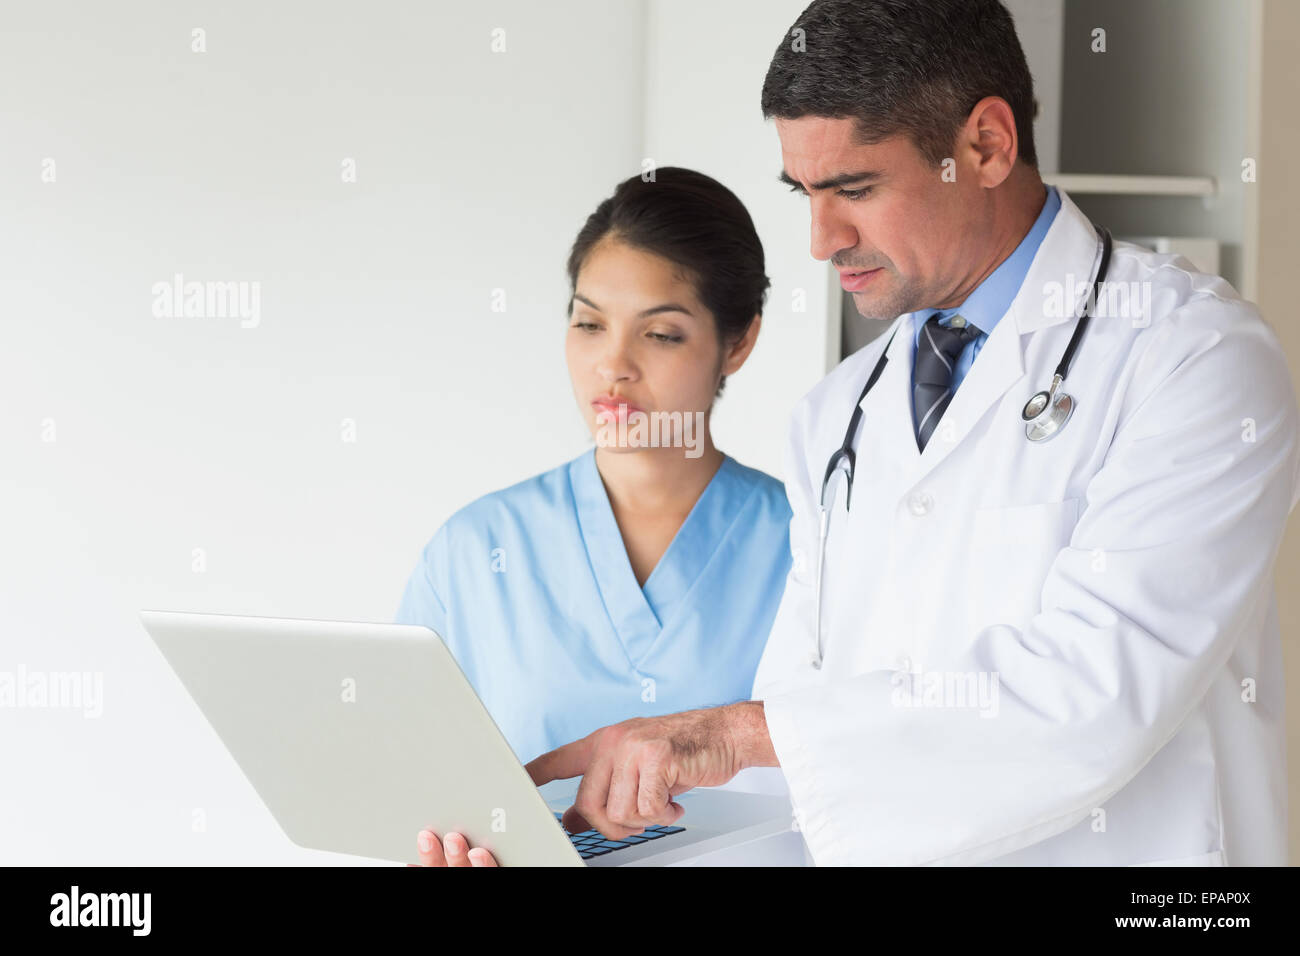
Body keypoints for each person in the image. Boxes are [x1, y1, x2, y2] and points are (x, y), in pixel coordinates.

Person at [502, 0, 1299, 867]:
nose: (820, 239)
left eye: (854, 190)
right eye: (804, 194)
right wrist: (563, 838)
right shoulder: (838, 414)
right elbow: (801, 764)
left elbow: (1093, 697)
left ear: (986, 146)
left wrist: (730, 733)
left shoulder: (1192, 358)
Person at [397, 167, 793, 866]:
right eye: (588, 323)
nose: (613, 366)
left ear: (738, 342)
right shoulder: (476, 552)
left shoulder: (810, 548)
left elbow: (876, 771)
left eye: (661, 334)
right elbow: (408, 804)